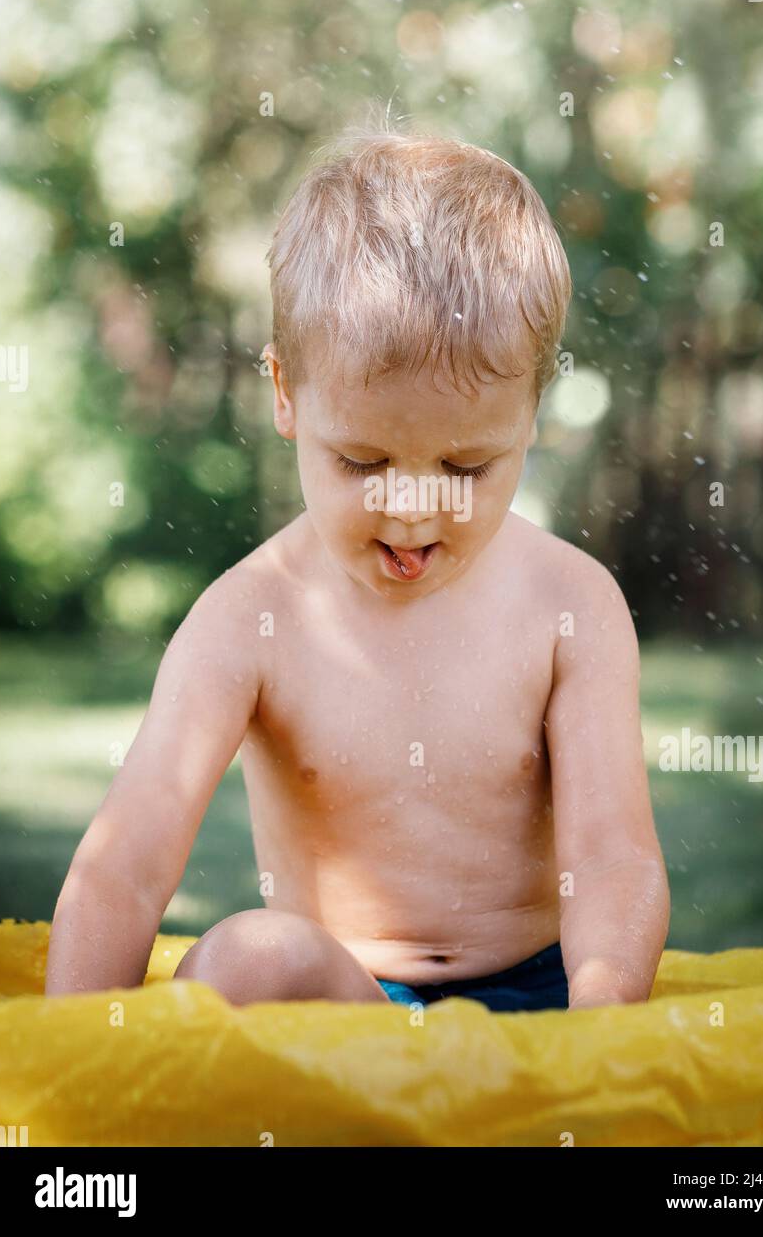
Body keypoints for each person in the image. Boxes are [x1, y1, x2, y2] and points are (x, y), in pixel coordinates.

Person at [46, 117, 670, 1013]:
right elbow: (125, 866)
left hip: (538, 1008)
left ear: (531, 416)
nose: (413, 509)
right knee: (248, 959)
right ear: (286, 397)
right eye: (365, 463)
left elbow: (614, 860)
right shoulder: (248, 617)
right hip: (350, 1008)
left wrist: (596, 1040)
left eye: (465, 468)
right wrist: (73, 1063)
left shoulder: (570, 604)